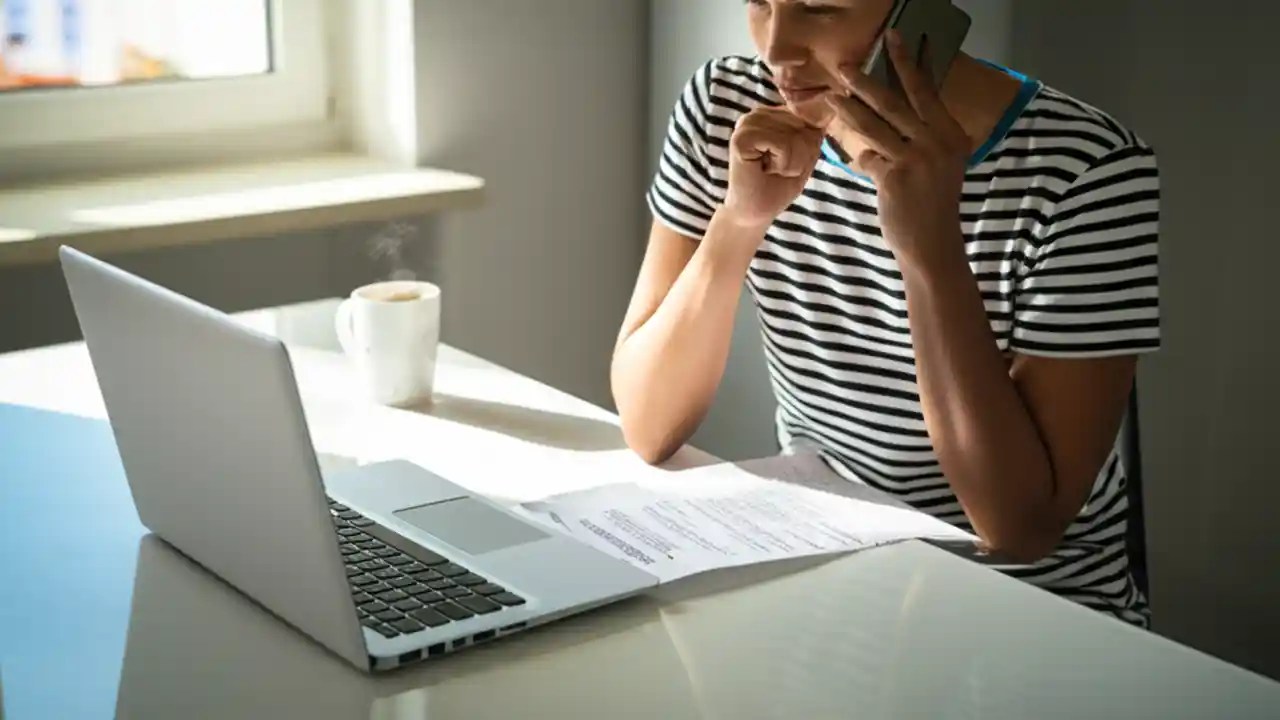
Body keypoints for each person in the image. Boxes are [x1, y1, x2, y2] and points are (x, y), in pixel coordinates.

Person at [612, 0, 1159, 627]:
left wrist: (930, 252)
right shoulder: (726, 105)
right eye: (760, 2)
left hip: (1033, 612)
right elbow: (649, 424)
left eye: (820, 8)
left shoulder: (1088, 171)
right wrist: (738, 221)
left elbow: (1020, 530)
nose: (777, 50)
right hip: (835, 573)